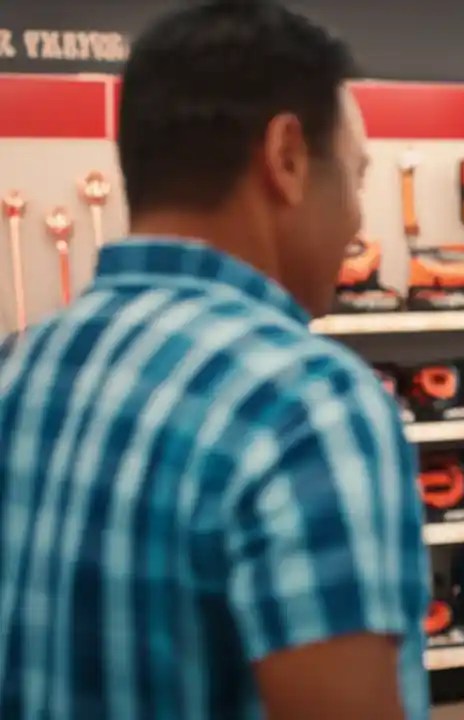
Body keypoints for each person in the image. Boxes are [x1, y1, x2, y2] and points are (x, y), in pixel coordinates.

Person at [0, 2, 428, 719]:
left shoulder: (20, 371)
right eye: (356, 178)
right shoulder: (308, 407)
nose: (358, 220)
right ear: (286, 157)